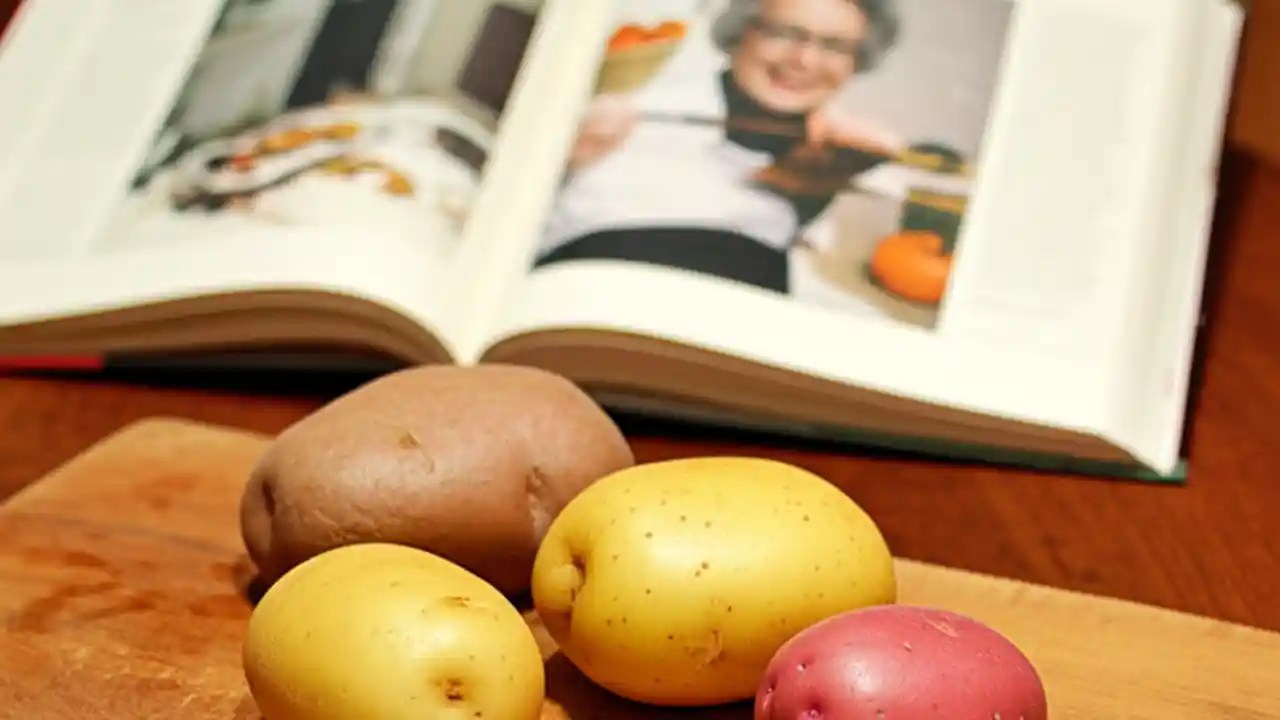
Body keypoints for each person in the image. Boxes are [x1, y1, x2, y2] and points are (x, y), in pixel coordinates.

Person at [534, 0, 903, 294]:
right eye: (784, 33)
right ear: (740, 32)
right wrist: (556, 156)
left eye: (834, 46)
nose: (804, 60)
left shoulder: (847, 157)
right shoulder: (635, 106)